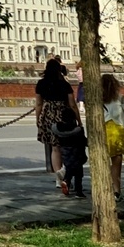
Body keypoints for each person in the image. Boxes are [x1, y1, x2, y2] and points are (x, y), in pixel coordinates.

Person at [34, 57, 75, 192]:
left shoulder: (41, 83)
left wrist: (38, 119)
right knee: (67, 146)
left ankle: (59, 178)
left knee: (54, 148)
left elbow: (39, 104)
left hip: (48, 114)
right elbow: (72, 104)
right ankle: (66, 174)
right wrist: (78, 120)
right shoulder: (64, 84)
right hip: (63, 114)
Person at [51, 98, 87, 198]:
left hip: (66, 154)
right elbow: (84, 141)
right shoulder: (78, 130)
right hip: (77, 155)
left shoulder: (58, 130)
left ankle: (66, 181)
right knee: (78, 174)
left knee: (69, 170)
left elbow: (54, 127)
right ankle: (78, 191)